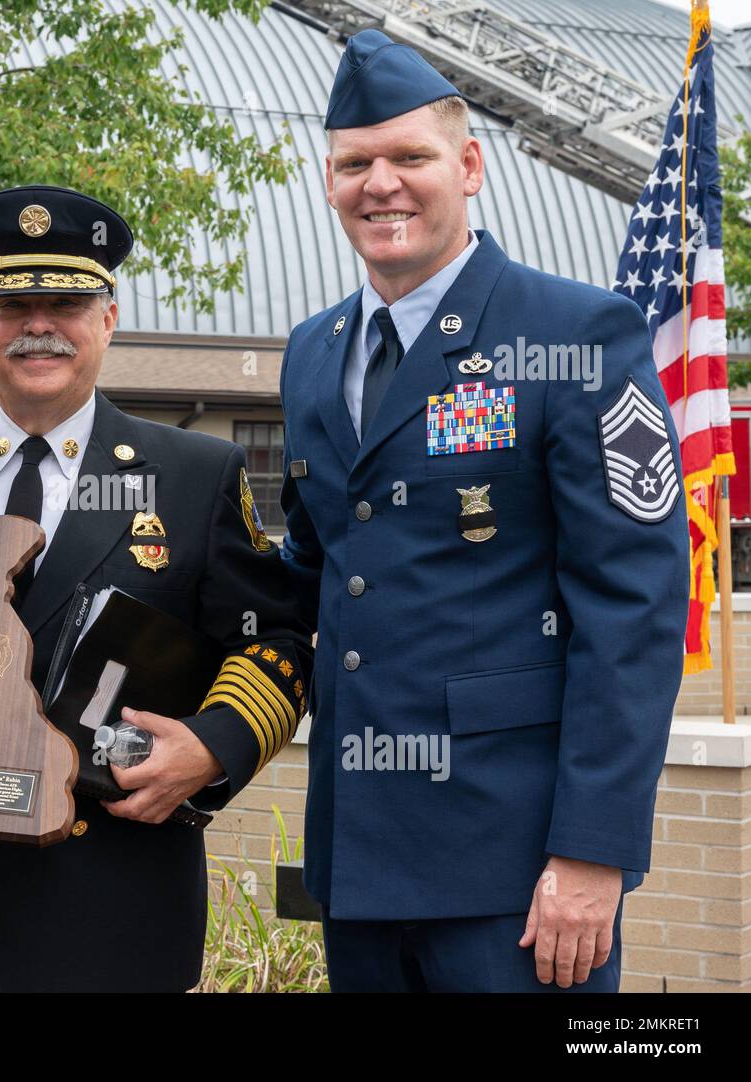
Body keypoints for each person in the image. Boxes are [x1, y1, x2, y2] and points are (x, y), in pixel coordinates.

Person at [278, 30, 690, 992]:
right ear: (329, 182)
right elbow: (315, 571)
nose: (381, 184)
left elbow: (633, 612)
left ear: (468, 166)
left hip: (517, 873)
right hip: (357, 857)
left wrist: (594, 855)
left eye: (410, 157)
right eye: (354, 164)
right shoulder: (311, 352)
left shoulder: (579, 333)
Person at [0, 185, 314, 992]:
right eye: (11, 304)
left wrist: (212, 745)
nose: (39, 324)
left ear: (108, 319)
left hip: (114, 900)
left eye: (66, 302)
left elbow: (273, 639)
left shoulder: (193, 474)